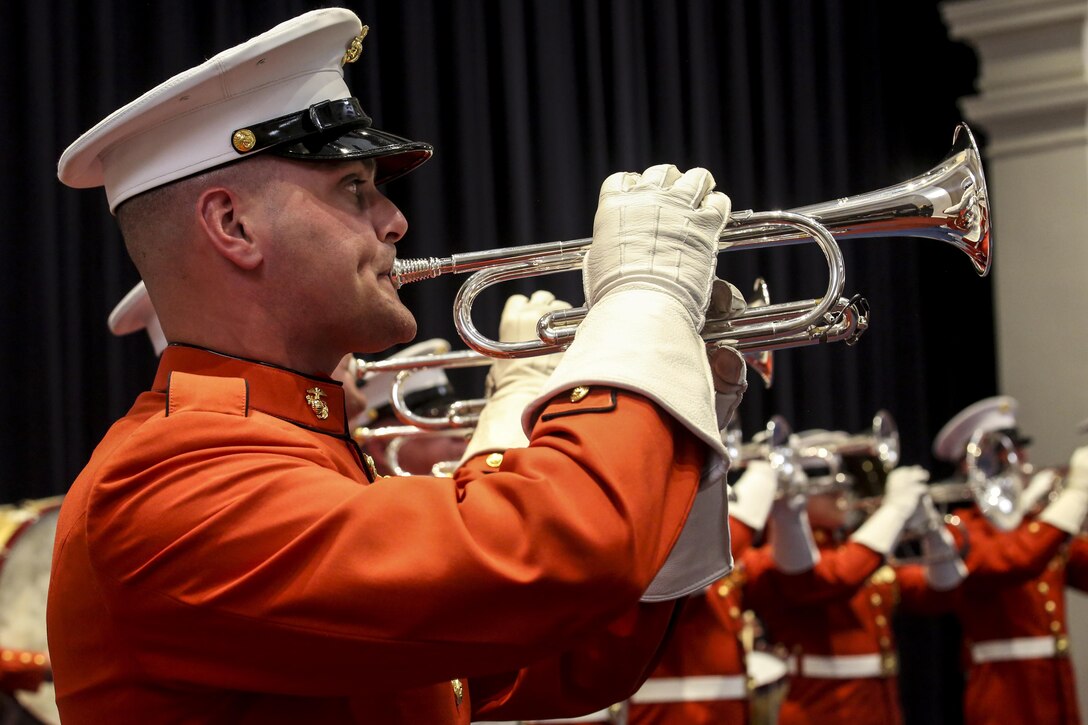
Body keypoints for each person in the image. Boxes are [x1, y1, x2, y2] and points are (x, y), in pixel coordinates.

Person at [48, 8, 746, 724]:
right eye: (354, 188)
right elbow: (561, 553)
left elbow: (568, 656)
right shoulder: (167, 484)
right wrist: (643, 301)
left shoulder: (302, 445)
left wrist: (685, 400)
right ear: (234, 226)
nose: (395, 220)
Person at [740, 428, 966, 725]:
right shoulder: (774, 557)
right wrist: (895, 511)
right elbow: (833, 578)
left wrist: (931, 530)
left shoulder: (858, 550)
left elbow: (943, 593)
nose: (843, 487)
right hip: (821, 712)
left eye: (845, 476)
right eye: (827, 478)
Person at [912, 396, 1088, 724]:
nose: (1021, 459)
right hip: (1006, 695)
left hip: (1056, 686)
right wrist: (1075, 496)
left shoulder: (1036, 525)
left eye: (1018, 449)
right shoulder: (962, 527)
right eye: (1004, 452)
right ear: (973, 465)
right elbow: (1015, 561)